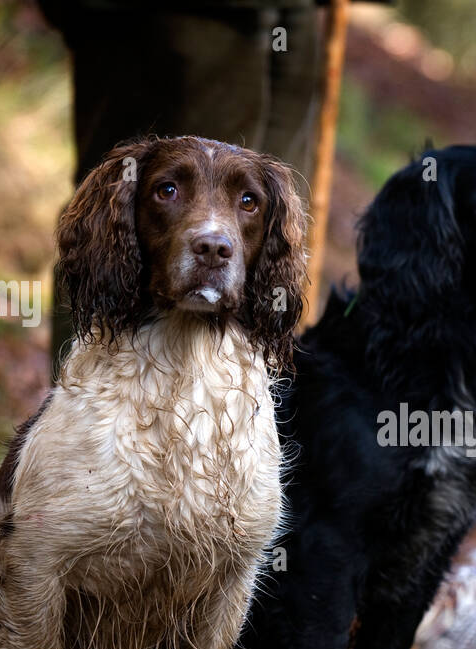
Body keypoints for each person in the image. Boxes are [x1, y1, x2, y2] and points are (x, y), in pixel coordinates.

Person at [38, 0, 324, 376]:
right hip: (187, 15)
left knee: (262, 227)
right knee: (116, 215)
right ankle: (87, 406)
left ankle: (225, 420)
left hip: (291, 9)